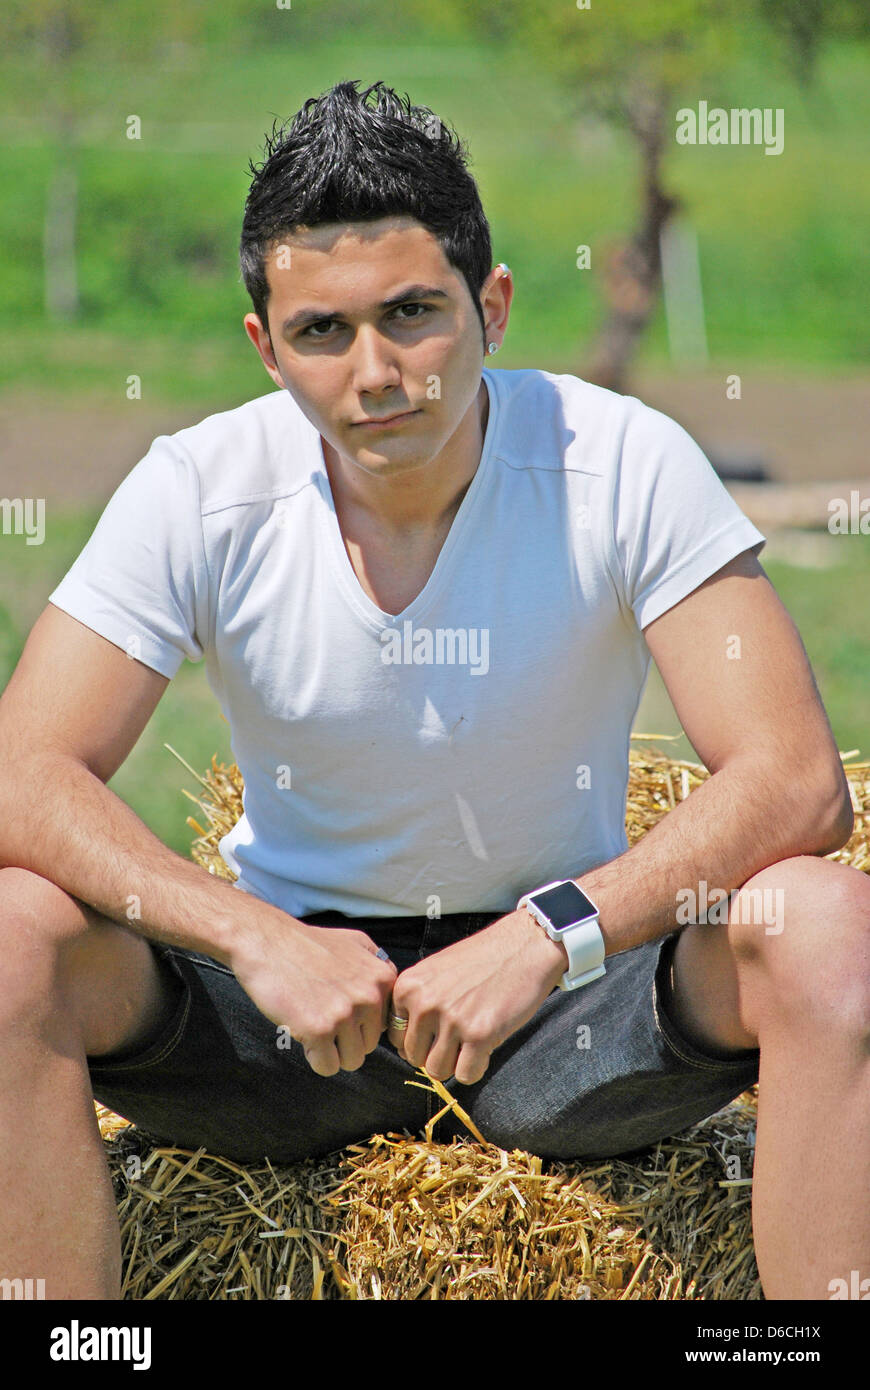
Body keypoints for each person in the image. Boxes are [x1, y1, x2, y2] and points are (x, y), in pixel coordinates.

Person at [0, 79, 866, 1303]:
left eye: (412, 314)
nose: (375, 373)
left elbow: (797, 780)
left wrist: (547, 935)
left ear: (491, 306)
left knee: (826, 921)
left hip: (571, 1010)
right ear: (265, 347)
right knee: (12, 936)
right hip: (284, 1023)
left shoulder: (622, 459)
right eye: (322, 331)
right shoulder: (197, 486)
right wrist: (258, 938)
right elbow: (21, 776)